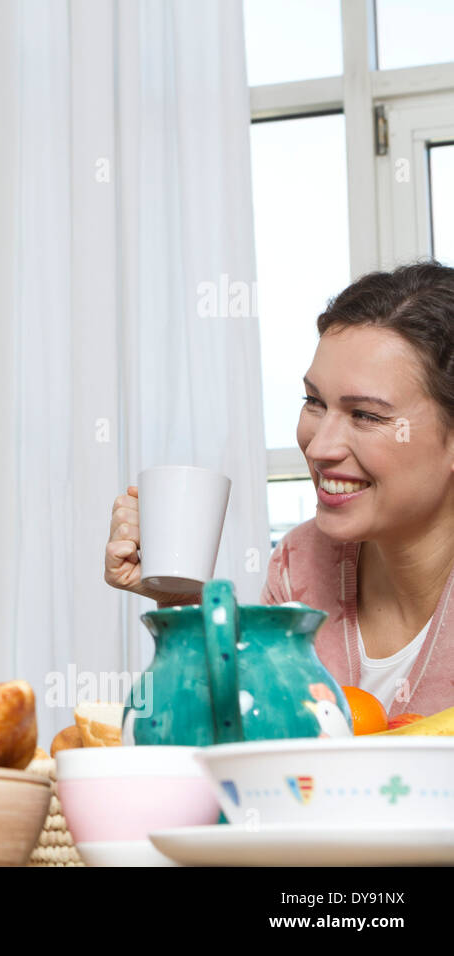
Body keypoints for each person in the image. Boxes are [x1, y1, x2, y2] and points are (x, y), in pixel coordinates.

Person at [104, 261, 454, 717]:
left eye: (366, 415)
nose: (320, 446)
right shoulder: (303, 563)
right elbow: (250, 727)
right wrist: (181, 601)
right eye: (314, 402)